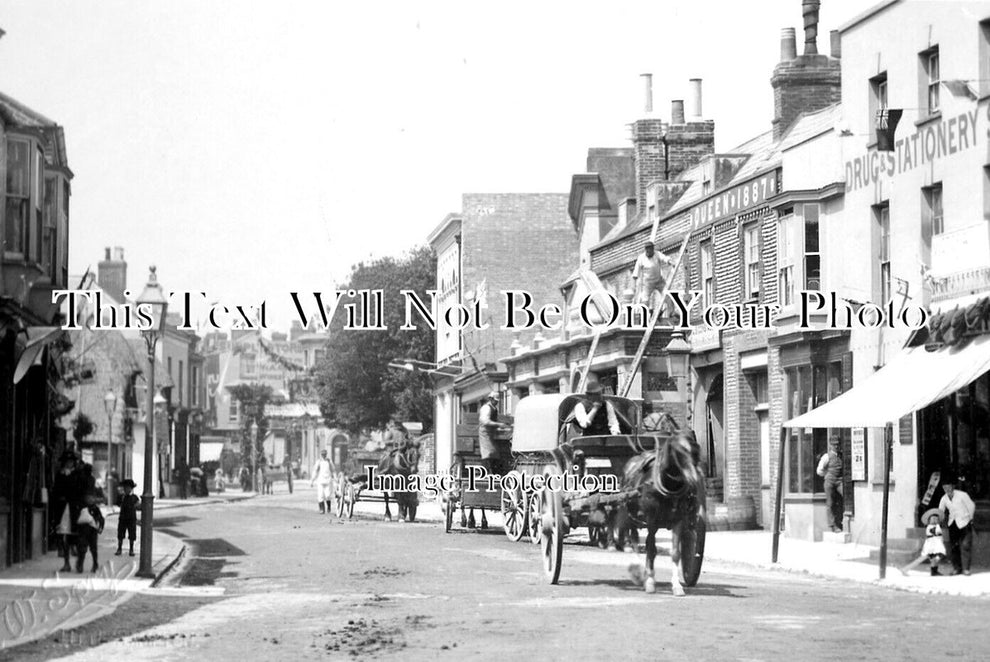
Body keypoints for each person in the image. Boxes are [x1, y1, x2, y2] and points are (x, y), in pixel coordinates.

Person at [52, 451, 83, 572]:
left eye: (71, 461)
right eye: (67, 462)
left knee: (77, 536)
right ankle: (66, 563)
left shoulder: (78, 475)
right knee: (64, 536)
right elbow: (56, 491)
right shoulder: (60, 475)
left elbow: (80, 490)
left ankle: (79, 563)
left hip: (74, 508)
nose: (69, 463)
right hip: (63, 509)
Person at [938, 475, 976, 576]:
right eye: (945, 488)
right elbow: (940, 511)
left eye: (948, 487)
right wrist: (939, 520)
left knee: (965, 545)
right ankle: (957, 568)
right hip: (953, 523)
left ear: (952, 486)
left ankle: (966, 569)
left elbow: (971, 506)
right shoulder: (944, 498)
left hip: (965, 522)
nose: (947, 489)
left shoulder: (962, 495)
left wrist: (970, 518)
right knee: (954, 547)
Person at [901, 509, 948, 576]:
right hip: (932, 545)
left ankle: (934, 571)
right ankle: (905, 569)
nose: (934, 520)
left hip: (936, 544)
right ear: (929, 521)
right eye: (932, 519)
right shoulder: (930, 527)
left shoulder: (937, 526)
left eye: (936, 519)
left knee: (934, 558)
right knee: (931, 556)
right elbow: (934, 532)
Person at [631, 241, 674, 311]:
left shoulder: (657, 254)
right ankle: (645, 315)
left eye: (651, 249)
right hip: (647, 283)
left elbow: (664, 258)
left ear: (653, 249)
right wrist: (633, 287)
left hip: (659, 281)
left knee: (668, 294)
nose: (649, 251)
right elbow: (635, 274)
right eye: (647, 249)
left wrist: (670, 262)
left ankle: (672, 313)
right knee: (645, 299)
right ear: (646, 250)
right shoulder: (641, 258)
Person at [478, 390, 509, 474]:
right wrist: (499, 424)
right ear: (491, 399)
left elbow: (494, 420)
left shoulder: (494, 409)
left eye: (497, 401)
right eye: (495, 400)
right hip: (485, 433)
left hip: (492, 433)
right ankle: (486, 472)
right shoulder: (486, 408)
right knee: (488, 453)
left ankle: (494, 472)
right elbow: (485, 421)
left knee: (495, 453)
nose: (496, 402)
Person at [816, 439, 843, 533]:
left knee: (846, 498)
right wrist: (827, 474)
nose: (836, 447)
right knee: (830, 503)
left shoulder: (841, 455)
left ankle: (841, 521)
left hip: (839, 481)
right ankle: (833, 525)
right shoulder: (826, 456)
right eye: (834, 445)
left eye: (837, 444)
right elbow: (819, 471)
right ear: (830, 445)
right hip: (829, 482)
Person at [75, 493, 105, 573]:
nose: (90, 499)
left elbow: (101, 518)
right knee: (82, 548)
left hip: (92, 531)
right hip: (83, 531)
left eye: (92, 498)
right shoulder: (81, 507)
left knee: (93, 549)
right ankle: (80, 564)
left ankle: (95, 564)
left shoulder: (95, 508)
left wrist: (100, 526)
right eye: (88, 498)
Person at [116, 479, 139, 556]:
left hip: (131, 518)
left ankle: (131, 549)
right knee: (120, 533)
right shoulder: (122, 497)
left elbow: (138, 505)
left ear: (131, 488)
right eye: (125, 488)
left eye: (128, 488)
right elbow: (118, 503)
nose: (127, 489)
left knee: (132, 534)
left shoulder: (134, 497)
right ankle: (119, 548)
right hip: (123, 517)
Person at [310, 449, 334, 514]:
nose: (323, 456)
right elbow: (315, 471)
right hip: (320, 480)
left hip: (328, 480)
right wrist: (312, 480)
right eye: (322, 454)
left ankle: (328, 507)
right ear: (321, 455)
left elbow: (333, 470)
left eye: (324, 454)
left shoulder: (329, 461)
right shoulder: (319, 462)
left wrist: (335, 478)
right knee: (320, 495)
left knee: (328, 495)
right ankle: (322, 509)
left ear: (326, 454)